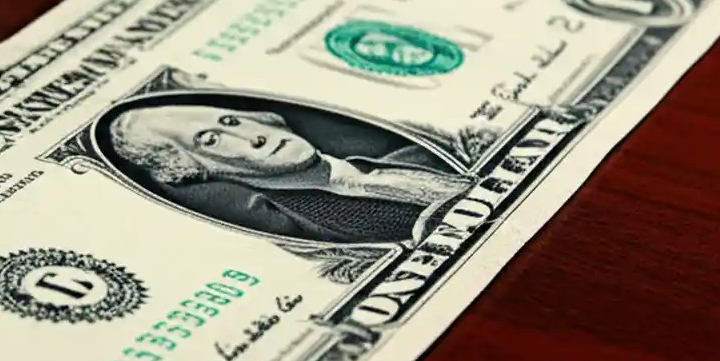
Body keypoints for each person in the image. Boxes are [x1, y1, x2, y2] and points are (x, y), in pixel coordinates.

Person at [108, 104, 470, 243]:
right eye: (212, 139)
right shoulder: (319, 230)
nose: (253, 136)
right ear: (191, 167)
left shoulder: (427, 148)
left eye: (231, 121)